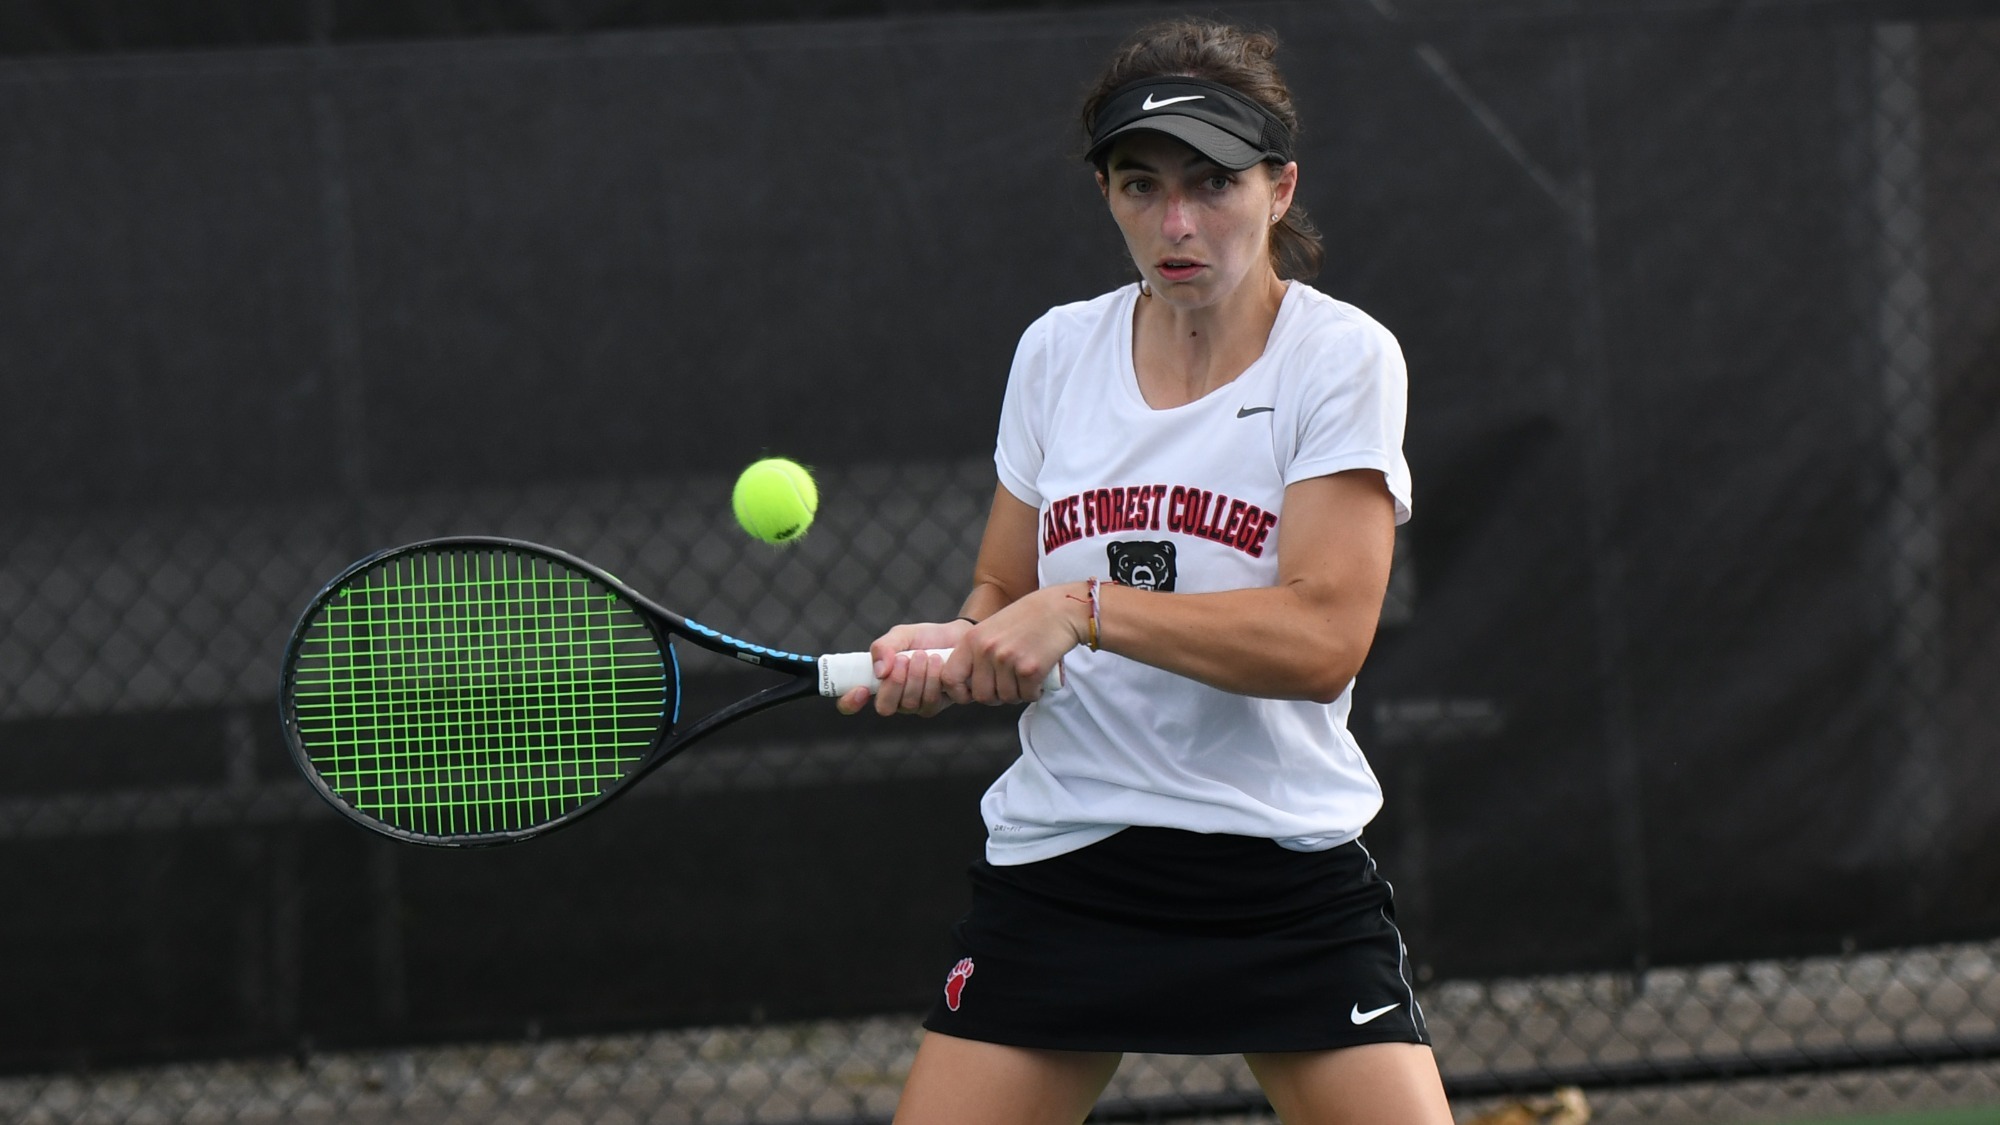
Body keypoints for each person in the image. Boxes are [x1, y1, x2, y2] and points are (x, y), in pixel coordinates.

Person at [836, 17, 1453, 1125]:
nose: (1175, 223)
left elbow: (1321, 644)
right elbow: (997, 589)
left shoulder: (1338, 358)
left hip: (1277, 868)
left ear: (1277, 187)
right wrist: (959, 646)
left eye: (1211, 183)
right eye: (1138, 185)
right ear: (1106, 194)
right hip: (1068, 860)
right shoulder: (1055, 354)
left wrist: (1082, 610)